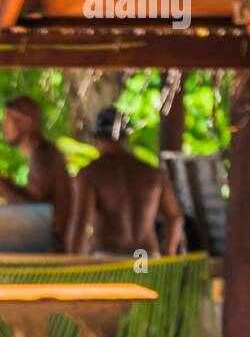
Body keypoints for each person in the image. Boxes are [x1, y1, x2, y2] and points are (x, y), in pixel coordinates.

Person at [66, 107, 184, 257]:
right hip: (145, 256)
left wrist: (73, 266)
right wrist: (169, 255)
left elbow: (81, 223)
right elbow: (175, 218)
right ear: (127, 137)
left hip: (108, 257)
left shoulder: (90, 174)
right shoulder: (153, 174)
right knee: (142, 278)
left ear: (95, 138)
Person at [0, 95, 72, 252]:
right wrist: (3, 183)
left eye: (8, 120)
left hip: (49, 250)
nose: (3, 127)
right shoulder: (40, 154)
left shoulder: (44, 155)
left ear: (26, 122)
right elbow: (32, 198)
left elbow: (32, 210)